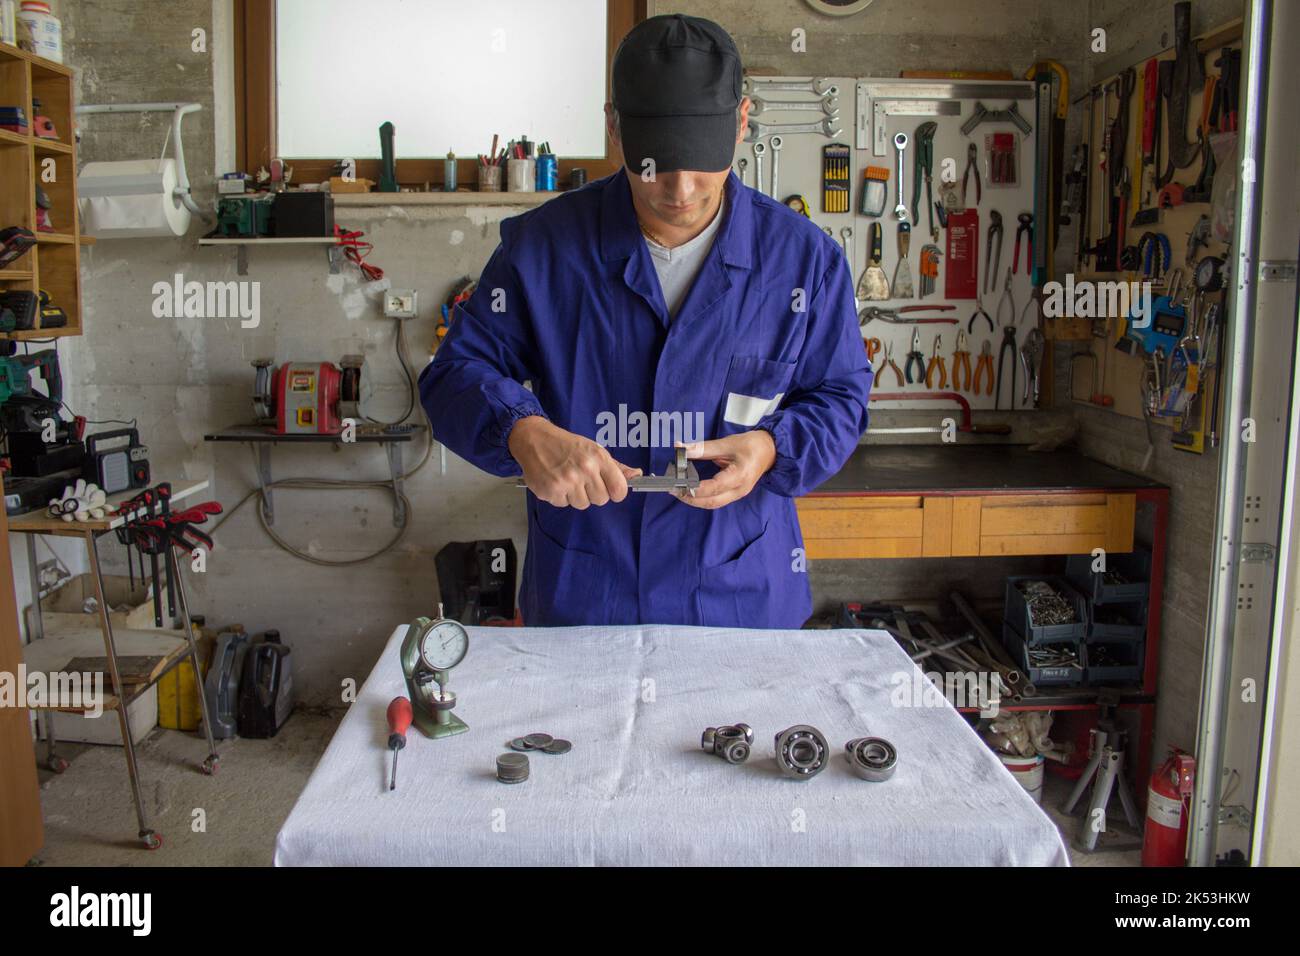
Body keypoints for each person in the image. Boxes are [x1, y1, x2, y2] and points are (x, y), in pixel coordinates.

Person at [419, 14, 872, 627]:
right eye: (656, 164)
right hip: (587, 593)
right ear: (614, 126)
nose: (680, 189)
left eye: (701, 163)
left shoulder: (804, 262)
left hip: (739, 597)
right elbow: (454, 375)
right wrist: (523, 434)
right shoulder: (542, 251)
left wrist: (770, 447)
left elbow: (840, 397)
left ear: (741, 121)